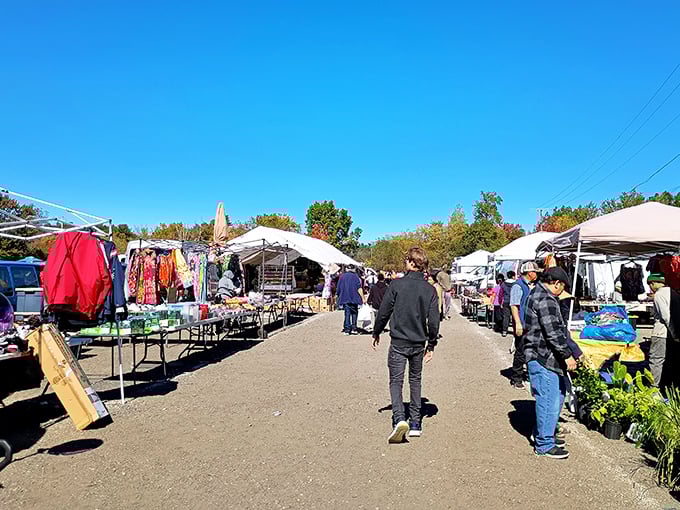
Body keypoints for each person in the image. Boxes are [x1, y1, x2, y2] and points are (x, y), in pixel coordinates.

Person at [373, 247, 440, 443]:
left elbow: (384, 311)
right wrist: (432, 343)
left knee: (396, 381)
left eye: (406, 260)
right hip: (418, 343)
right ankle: (416, 423)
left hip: (399, 342)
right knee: (415, 380)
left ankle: (399, 418)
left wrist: (376, 331)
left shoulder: (396, 285)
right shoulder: (430, 290)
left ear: (411, 263)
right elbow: (434, 320)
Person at [524, 267, 577, 459]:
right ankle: (544, 444)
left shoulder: (535, 293)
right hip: (544, 356)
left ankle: (541, 434)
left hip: (538, 354)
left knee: (554, 396)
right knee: (549, 400)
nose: (562, 293)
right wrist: (568, 355)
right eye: (562, 288)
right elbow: (554, 333)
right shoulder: (546, 299)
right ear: (557, 283)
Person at [509, 262, 541, 390]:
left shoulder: (531, 285)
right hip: (522, 323)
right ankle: (516, 378)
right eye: (536, 272)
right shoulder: (518, 286)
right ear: (530, 273)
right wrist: (517, 323)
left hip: (531, 323)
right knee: (521, 351)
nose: (537, 274)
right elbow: (514, 305)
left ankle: (527, 373)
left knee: (532, 350)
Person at [647, 273, 680, 388]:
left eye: (650, 284)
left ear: (654, 283)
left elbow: (666, 316)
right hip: (671, 335)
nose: (650, 287)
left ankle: (654, 388)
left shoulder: (659, 295)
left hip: (661, 333)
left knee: (656, 360)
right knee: (669, 360)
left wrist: (674, 332)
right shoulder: (674, 293)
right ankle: (668, 385)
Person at [336, 265, 363, 335]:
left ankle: (347, 330)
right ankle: (354, 328)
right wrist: (363, 298)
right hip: (355, 297)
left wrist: (338, 295)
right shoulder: (356, 277)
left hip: (345, 297)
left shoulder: (342, 277)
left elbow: (338, 288)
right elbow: (359, 288)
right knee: (354, 313)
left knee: (347, 313)